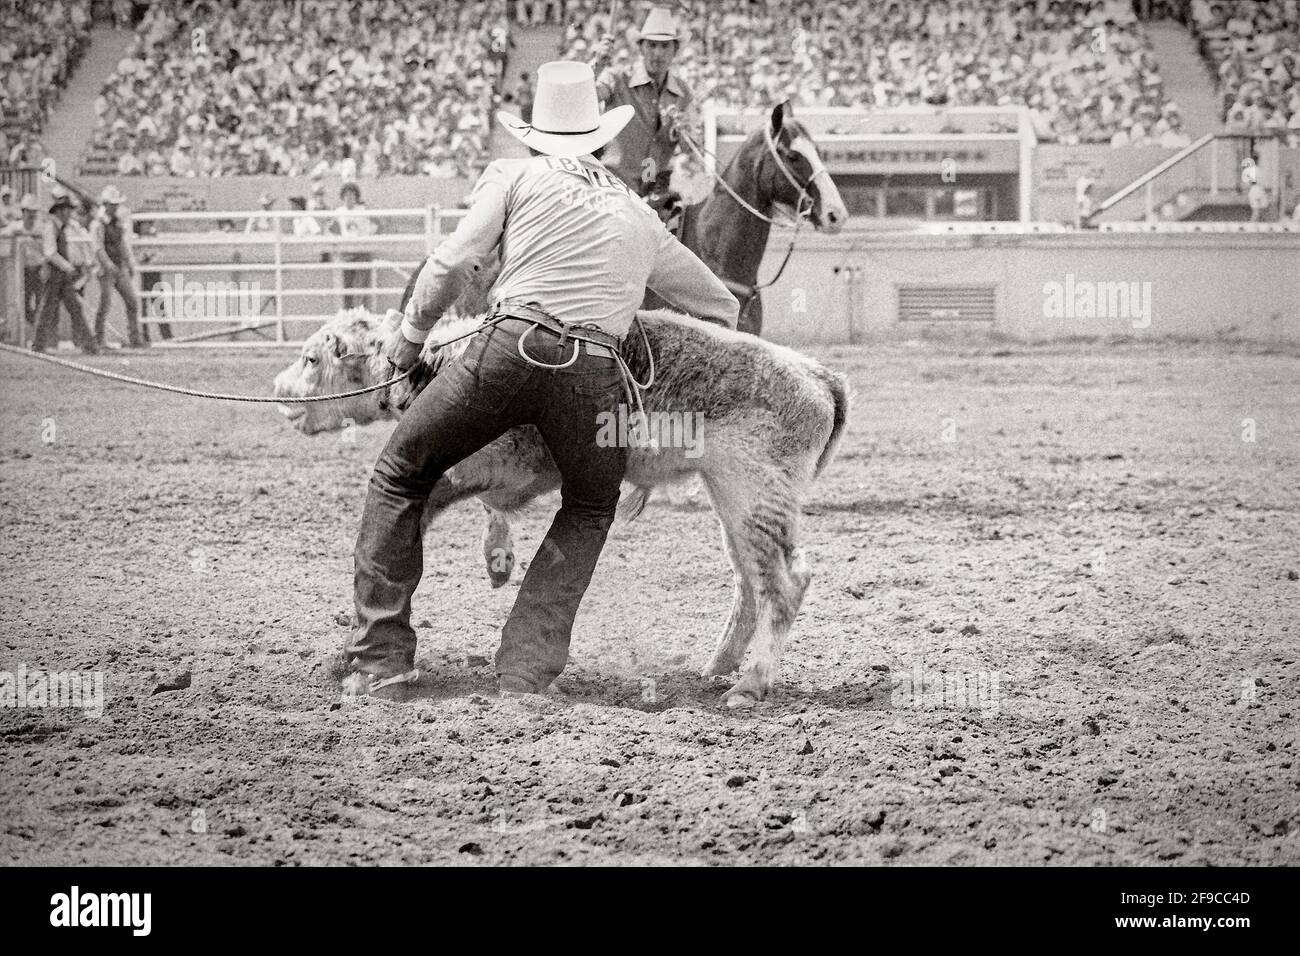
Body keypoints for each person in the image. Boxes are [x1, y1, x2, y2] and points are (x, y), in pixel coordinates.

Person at [342, 60, 738, 701]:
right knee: (587, 505)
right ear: (601, 140)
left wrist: (410, 342)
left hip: (506, 348)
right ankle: (525, 670)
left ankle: (381, 662)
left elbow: (451, 263)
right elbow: (719, 308)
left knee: (401, 471)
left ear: (535, 135)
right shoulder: (637, 214)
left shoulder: (517, 176)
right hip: (595, 375)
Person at [589, 6, 698, 200]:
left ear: (675, 51)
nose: (658, 53)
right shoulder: (617, 79)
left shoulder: (683, 92)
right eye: (652, 45)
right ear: (641, 48)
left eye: (665, 46)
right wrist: (596, 66)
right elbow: (586, 98)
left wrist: (684, 132)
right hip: (614, 187)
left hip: (655, 191)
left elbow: (691, 148)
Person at [33, 193, 98, 354]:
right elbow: (50, 252)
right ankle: (38, 345)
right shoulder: (52, 226)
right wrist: (67, 267)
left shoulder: (60, 227)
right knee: (48, 309)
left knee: (73, 308)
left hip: (61, 275)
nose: (70, 214)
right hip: (54, 273)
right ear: (61, 211)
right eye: (68, 210)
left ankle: (88, 344)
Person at [90, 185, 144, 348]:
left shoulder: (116, 223)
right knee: (105, 304)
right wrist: (109, 264)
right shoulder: (98, 224)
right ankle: (99, 339)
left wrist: (129, 262)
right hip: (106, 269)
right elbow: (98, 248)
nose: (115, 207)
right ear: (106, 205)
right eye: (112, 204)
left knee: (131, 301)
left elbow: (122, 244)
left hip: (117, 267)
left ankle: (134, 338)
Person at [1, 194, 43, 334]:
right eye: (28, 211)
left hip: (39, 269)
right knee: (23, 304)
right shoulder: (16, 227)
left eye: (33, 212)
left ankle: (39, 333)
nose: (31, 215)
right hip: (23, 271)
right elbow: (3, 233)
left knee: (41, 303)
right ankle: (33, 329)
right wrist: (14, 235)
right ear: (23, 212)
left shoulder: (40, 229)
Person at [334, 181, 377, 309]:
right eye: (346, 195)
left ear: (356, 197)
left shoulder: (363, 210)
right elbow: (330, 227)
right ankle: (347, 315)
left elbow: (377, 224)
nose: (349, 198)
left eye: (352, 195)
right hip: (346, 252)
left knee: (360, 287)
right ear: (342, 197)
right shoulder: (339, 212)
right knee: (346, 287)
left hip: (361, 251)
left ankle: (359, 314)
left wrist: (368, 237)